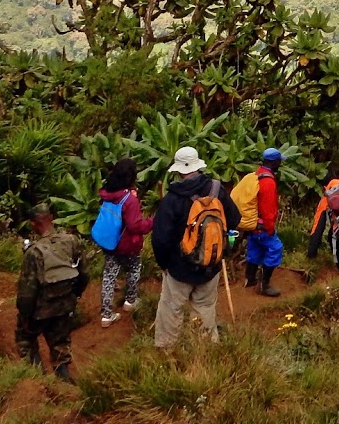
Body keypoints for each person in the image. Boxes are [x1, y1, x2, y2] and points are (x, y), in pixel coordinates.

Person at [150, 145, 241, 349]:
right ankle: (206, 348)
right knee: (205, 306)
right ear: (198, 166)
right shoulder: (217, 190)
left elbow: (160, 238)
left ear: (179, 170)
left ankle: (166, 349)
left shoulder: (172, 199)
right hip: (211, 264)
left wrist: (164, 264)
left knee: (171, 307)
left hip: (179, 268)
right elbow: (235, 219)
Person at [15, 202, 86, 382]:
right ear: (52, 218)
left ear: (33, 224)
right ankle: (63, 378)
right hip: (64, 305)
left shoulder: (34, 252)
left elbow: (27, 292)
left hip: (40, 310)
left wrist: (24, 316)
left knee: (25, 337)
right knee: (60, 342)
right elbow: (84, 274)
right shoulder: (72, 242)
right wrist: (74, 295)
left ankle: (37, 379)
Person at [97, 157, 154, 326]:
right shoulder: (129, 200)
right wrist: (152, 222)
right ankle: (130, 300)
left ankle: (106, 314)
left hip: (109, 241)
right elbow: (135, 225)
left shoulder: (106, 193)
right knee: (134, 269)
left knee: (109, 276)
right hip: (127, 244)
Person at [242, 148, 285, 297]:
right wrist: (270, 228)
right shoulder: (268, 182)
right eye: (279, 161)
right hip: (262, 226)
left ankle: (250, 279)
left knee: (255, 250)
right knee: (275, 248)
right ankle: (264, 285)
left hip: (252, 223)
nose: (280, 164)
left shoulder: (257, 174)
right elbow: (268, 209)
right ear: (274, 162)